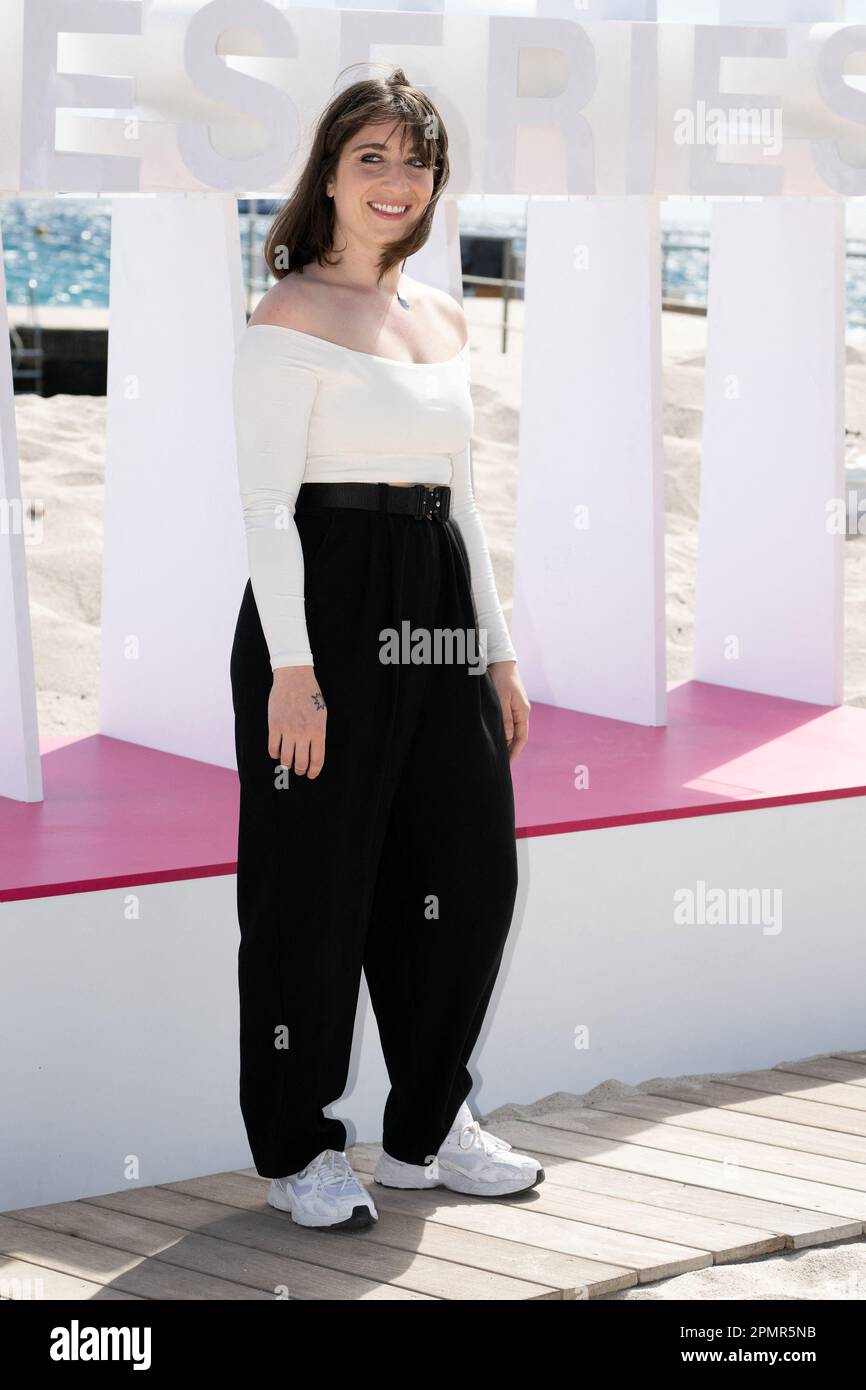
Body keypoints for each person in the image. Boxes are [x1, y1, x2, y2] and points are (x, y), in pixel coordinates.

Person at [230, 65, 538, 1232]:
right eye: (371, 158)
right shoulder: (289, 313)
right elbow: (267, 510)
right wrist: (294, 671)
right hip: (323, 605)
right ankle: (298, 1145)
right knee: (312, 890)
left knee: (467, 879)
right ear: (329, 172)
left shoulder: (443, 317)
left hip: (437, 606)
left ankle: (423, 1128)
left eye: (414, 162)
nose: (395, 182)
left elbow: (460, 499)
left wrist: (495, 653)